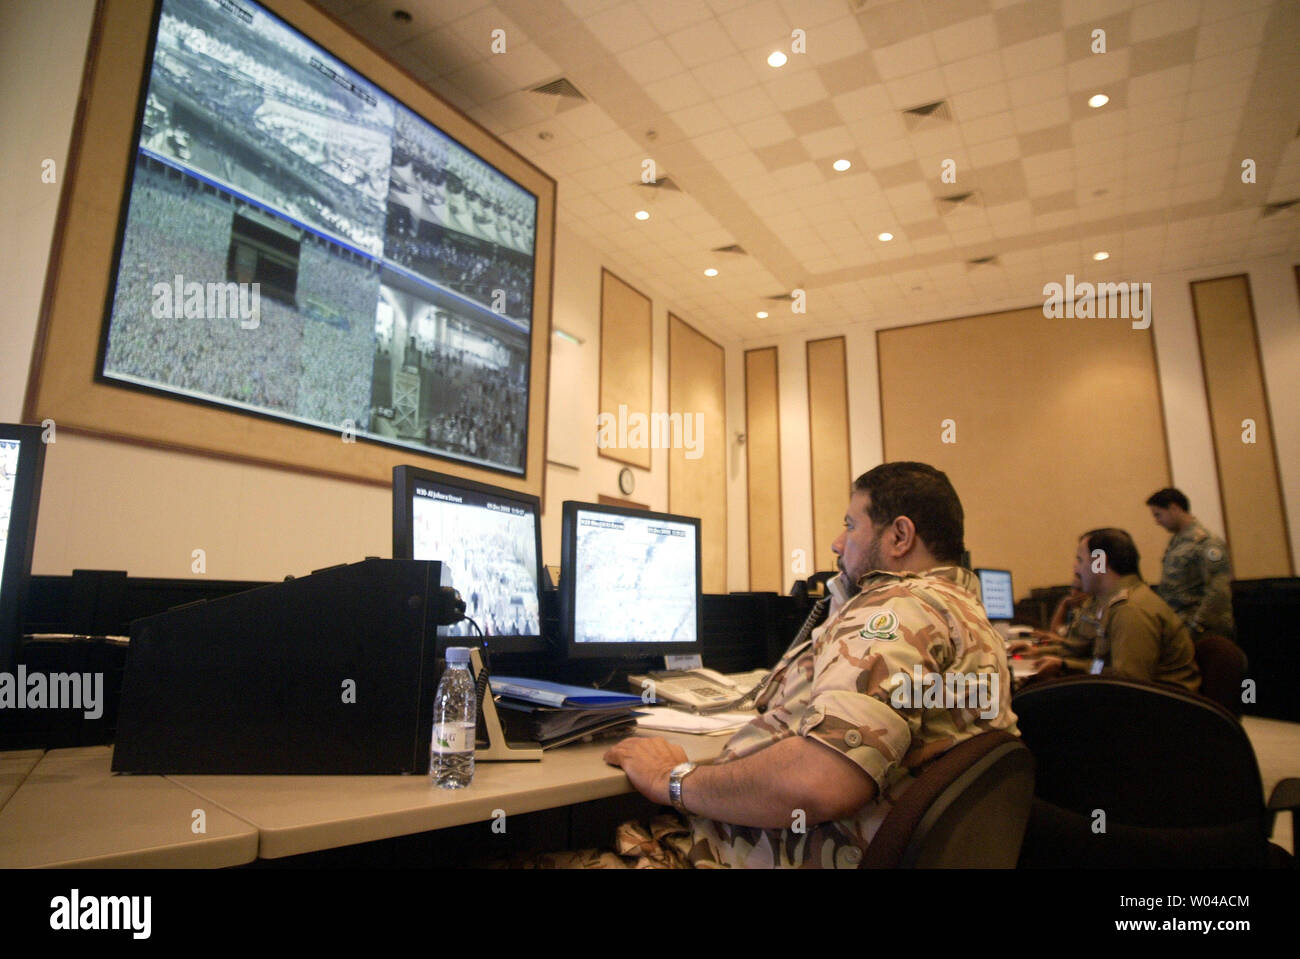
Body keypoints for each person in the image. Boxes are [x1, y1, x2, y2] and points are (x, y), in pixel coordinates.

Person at [603, 461, 1018, 868]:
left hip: (738, 852)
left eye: (851, 525)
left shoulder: (896, 610)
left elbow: (820, 782)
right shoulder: (966, 615)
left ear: (900, 536)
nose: (838, 543)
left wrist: (671, 779)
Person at [1026, 528, 1200, 693]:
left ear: (1100, 563)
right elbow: (1105, 667)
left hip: (1163, 713)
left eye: (1080, 560)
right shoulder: (1114, 603)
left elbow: (1129, 685)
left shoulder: (1130, 610)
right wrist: (1066, 665)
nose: (1077, 569)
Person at [1145, 488, 1234, 639]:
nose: (1157, 522)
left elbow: (1218, 589)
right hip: (1181, 626)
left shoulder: (1207, 543)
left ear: (1174, 508)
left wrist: (1197, 625)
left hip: (1204, 631)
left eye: (1158, 515)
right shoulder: (1177, 541)